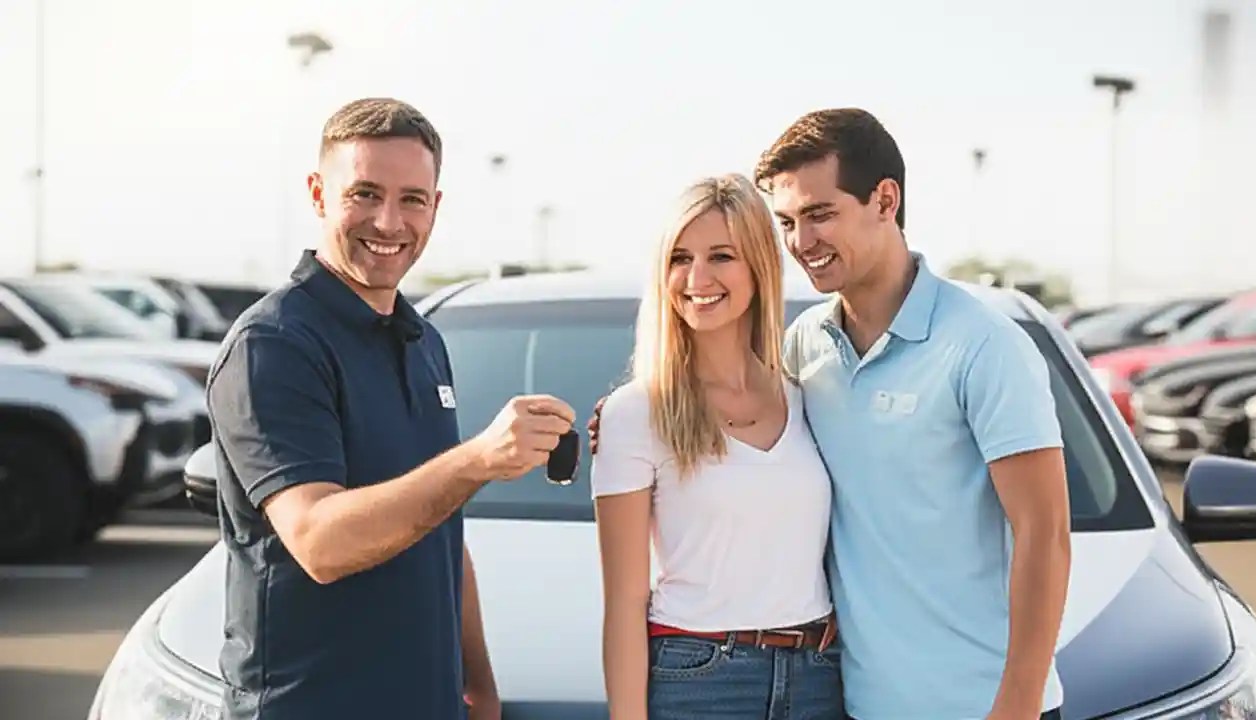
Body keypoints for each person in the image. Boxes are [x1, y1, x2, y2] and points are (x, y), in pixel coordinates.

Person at [592, 108, 1072, 720]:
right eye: (788, 222)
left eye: (820, 215)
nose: (802, 242)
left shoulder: (983, 344)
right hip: (854, 700)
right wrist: (634, 411)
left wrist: (1019, 705)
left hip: (979, 705)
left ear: (885, 199)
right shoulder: (805, 350)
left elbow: (1046, 535)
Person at [206, 97, 575, 720]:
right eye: (365, 193)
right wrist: (479, 459)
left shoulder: (422, 339)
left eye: (412, 199)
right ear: (319, 193)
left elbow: (440, 528)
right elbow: (320, 542)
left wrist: (477, 681)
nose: (388, 221)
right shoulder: (273, 345)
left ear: (435, 206)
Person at [590, 173, 845, 720]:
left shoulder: (811, 397)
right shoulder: (636, 413)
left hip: (820, 677)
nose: (696, 277)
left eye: (721, 256)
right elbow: (625, 603)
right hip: (699, 679)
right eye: (680, 257)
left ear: (759, 266)